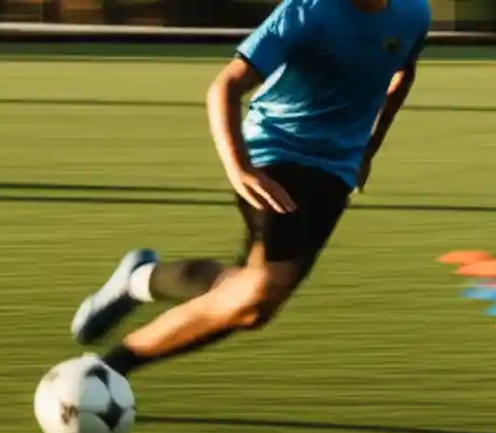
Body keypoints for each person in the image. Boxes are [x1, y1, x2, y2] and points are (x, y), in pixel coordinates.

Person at [70, 0, 432, 377]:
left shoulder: (414, 13)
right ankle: (107, 370)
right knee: (259, 292)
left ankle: (141, 279)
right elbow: (225, 87)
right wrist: (240, 168)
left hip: (334, 172)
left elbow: (402, 73)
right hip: (275, 152)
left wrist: (369, 150)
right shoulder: (306, 11)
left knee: (251, 299)